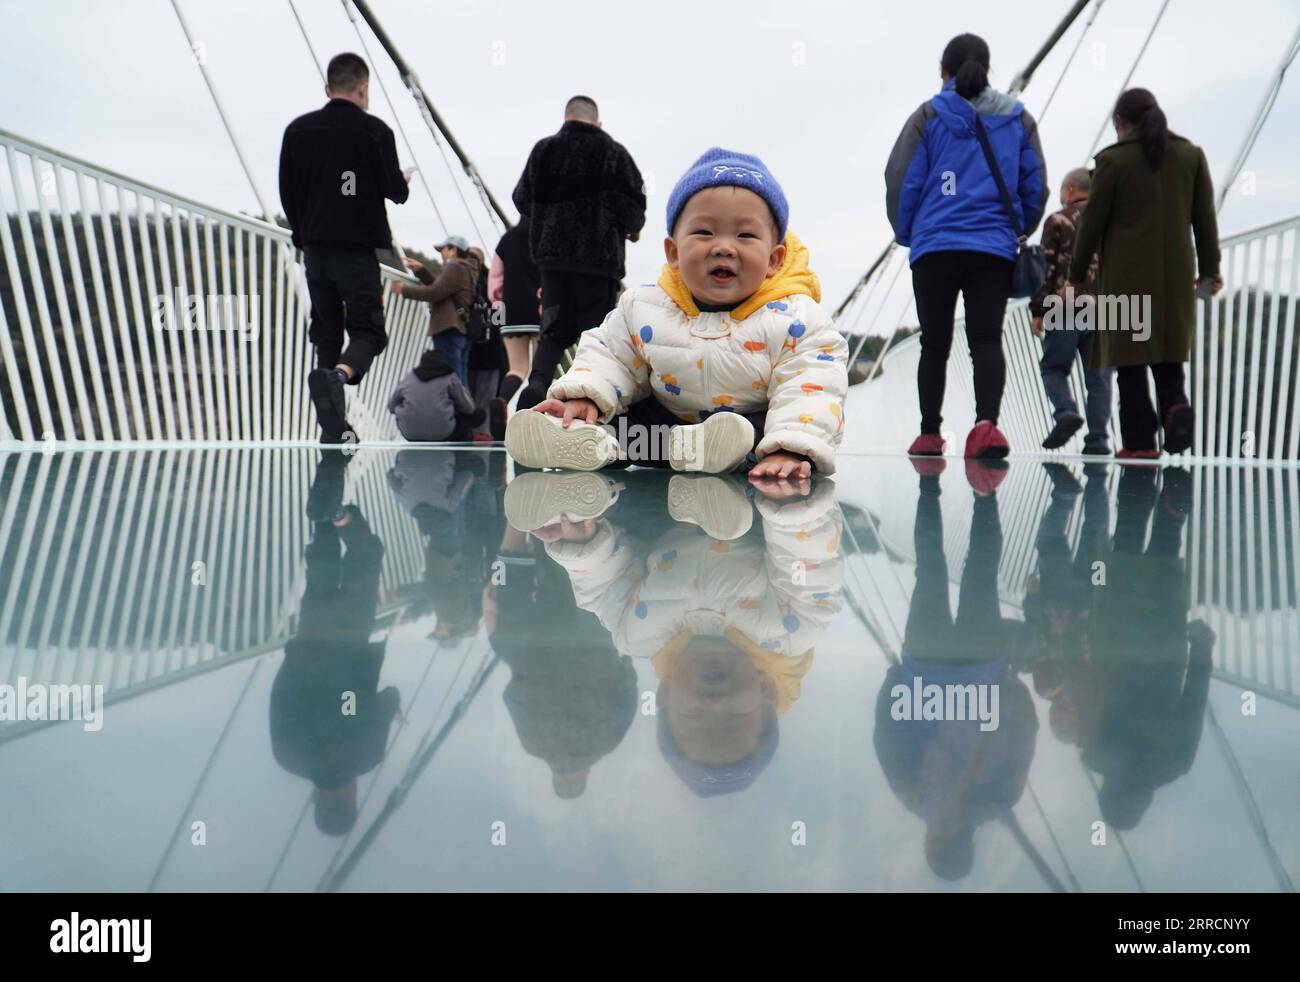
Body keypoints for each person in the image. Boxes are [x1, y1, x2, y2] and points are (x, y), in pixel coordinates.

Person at [504, 148, 849, 482]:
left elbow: (810, 386)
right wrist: (585, 394)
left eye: (745, 235)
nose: (724, 246)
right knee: (626, 425)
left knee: (757, 432)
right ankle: (584, 441)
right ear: (673, 252)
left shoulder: (797, 320)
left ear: (774, 259)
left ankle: (732, 449)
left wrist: (791, 446)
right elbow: (611, 356)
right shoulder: (645, 306)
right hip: (666, 430)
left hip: (750, 435)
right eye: (704, 232)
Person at [886, 33, 1048, 459]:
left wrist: (909, 232)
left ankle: (929, 435)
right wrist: (1016, 226)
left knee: (934, 343)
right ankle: (985, 429)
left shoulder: (927, 116)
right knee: (986, 340)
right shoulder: (1018, 118)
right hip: (991, 249)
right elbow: (1036, 186)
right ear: (988, 68)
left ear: (944, 71)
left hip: (934, 247)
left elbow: (903, 180)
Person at [1068, 88, 1222, 459]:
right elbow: (1204, 221)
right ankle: (1175, 409)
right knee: (1168, 359)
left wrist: (1075, 276)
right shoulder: (1190, 156)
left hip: (1126, 281)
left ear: (1120, 124)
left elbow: (1091, 225)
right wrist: (1210, 271)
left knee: (1131, 364)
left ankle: (1139, 442)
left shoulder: (1113, 162)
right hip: (1175, 280)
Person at [279, 52, 411, 444]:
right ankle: (338, 377)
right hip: (357, 249)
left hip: (316, 248)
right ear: (363, 87)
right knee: (369, 331)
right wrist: (401, 181)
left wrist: (304, 234)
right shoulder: (376, 131)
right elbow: (395, 192)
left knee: (326, 332)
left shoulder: (297, 130)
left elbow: (288, 192)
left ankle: (332, 430)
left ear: (327, 88)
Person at [271, 452, 401, 835]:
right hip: (309, 640)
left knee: (367, 555)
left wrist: (390, 711)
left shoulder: (365, 757)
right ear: (315, 803)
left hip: (349, 644)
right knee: (322, 561)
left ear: (351, 800)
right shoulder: (287, 758)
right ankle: (330, 469)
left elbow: (388, 697)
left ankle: (341, 513)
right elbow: (281, 695)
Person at [512, 96, 646, 409]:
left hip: (552, 261)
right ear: (598, 122)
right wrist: (630, 227)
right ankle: (582, 402)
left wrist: (549, 218)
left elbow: (522, 199)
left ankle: (537, 386)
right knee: (596, 338)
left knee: (554, 334)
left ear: (566, 117)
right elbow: (634, 211)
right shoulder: (615, 153)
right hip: (599, 263)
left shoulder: (543, 150)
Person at [1030, 168, 1113, 453]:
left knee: (1053, 367)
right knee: (1099, 377)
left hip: (1065, 306)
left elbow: (1046, 268)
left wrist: (1039, 310)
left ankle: (1066, 412)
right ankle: (1099, 439)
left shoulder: (1058, 220)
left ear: (1068, 190)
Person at [391, 235, 480, 387]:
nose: (441, 253)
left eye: (443, 249)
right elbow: (443, 288)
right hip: (459, 328)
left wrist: (403, 290)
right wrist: (422, 271)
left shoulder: (455, 267)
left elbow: (434, 293)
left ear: (453, 250)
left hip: (448, 327)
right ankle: (464, 408)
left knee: (451, 375)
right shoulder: (467, 268)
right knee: (460, 373)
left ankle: (458, 409)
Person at [489, 215, 542, 403]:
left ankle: (501, 401)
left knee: (517, 369)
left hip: (511, 313)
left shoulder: (507, 240)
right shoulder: (546, 236)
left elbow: (495, 282)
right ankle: (528, 416)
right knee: (540, 371)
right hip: (540, 313)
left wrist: (499, 306)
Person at [387, 349, 485, 442]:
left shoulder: (409, 378)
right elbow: (469, 408)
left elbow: (391, 407)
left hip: (409, 433)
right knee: (478, 414)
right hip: (443, 433)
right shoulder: (450, 377)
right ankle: (462, 453)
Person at [466, 245, 509, 440]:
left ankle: (469, 431)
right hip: (492, 351)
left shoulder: (467, 284)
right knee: (487, 395)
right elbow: (501, 321)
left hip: (470, 349)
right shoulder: (494, 290)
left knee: (468, 394)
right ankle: (483, 434)